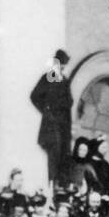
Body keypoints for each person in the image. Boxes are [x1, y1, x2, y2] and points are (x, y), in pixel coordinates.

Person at [29, 49, 73, 190]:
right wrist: (46, 110)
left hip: (63, 124)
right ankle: (52, 185)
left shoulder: (65, 81)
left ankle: (62, 185)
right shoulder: (48, 77)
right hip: (52, 124)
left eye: (64, 65)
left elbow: (69, 101)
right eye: (61, 64)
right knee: (54, 153)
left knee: (64, 154)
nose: (63, 67)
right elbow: (35, 95)